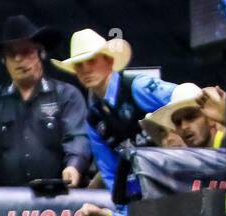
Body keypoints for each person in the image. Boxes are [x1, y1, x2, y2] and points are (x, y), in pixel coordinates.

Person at [0, 15, 90, 188]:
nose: (18, 59)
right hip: (6, 201)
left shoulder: (67, 95)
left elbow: (78, 138)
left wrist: (74, 167)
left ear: (41, 53)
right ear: (4, 61)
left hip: (59, 197)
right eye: (11, 54)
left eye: (25, 52)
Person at [51, 28, 177, 191]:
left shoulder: (137, 87)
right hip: (143, 193)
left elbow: (187, 98)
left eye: (91, 61)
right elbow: (110, 171)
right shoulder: (93, 119)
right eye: (79, 65)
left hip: (177, 179)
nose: (86, 69)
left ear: (109, 61)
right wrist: (123, 210)